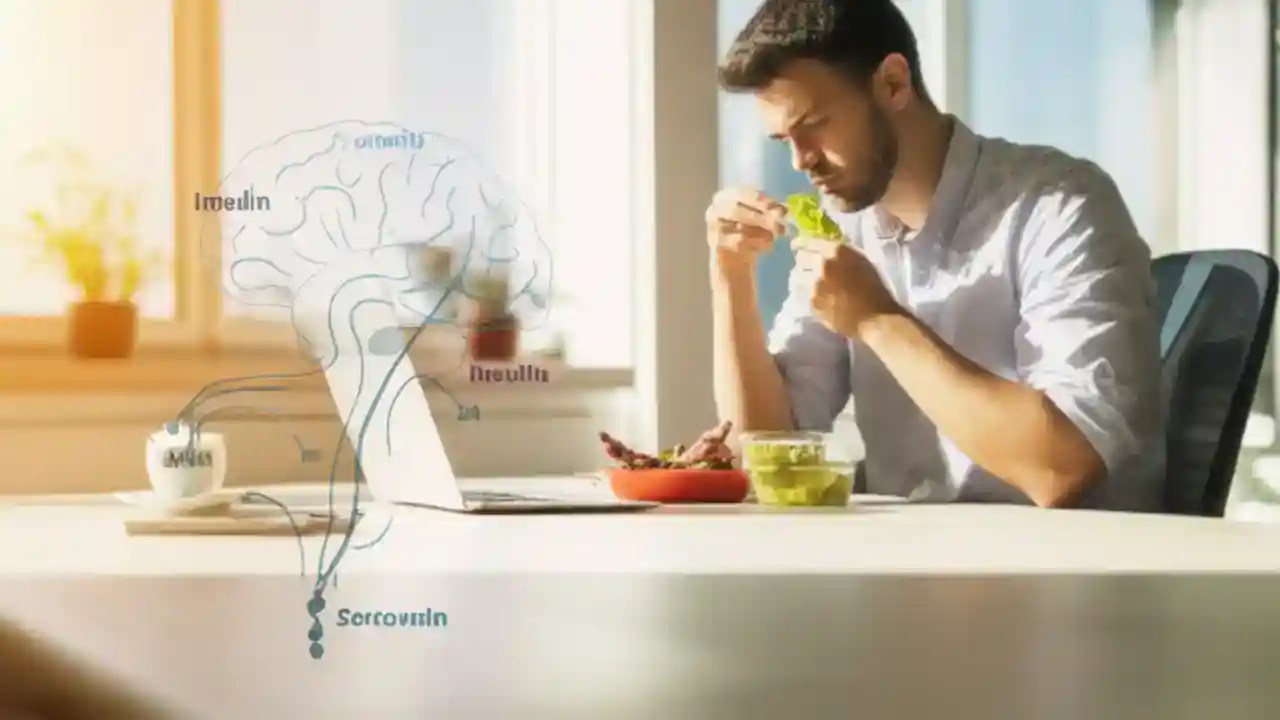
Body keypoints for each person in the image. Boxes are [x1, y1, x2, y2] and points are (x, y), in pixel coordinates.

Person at [707, 0, 1165, 510]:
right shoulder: (846, 229)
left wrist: (878, 320)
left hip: (1064, 555)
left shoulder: (1059, 206)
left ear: (893, 84)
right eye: (783, 140)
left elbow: (1062, 467)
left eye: (814, 123)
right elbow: (765, 449)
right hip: (906, 553)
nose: (800, 160)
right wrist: (731, 277)